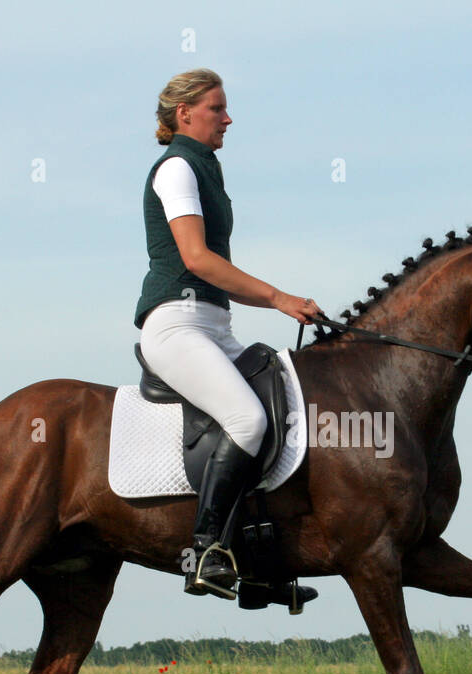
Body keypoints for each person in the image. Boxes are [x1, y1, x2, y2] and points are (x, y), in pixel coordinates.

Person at [135, 68, 322, 599]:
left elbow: (217, 273)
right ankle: (206, 549)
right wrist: (281, 299)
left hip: (214, 326)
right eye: (218, 108)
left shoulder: (207, 171)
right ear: (184, 113)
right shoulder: (176, 169)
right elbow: (197, 259)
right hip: (175, 326)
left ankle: (257, 565)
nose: (228, 118)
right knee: (246, 417)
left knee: (285, 408)